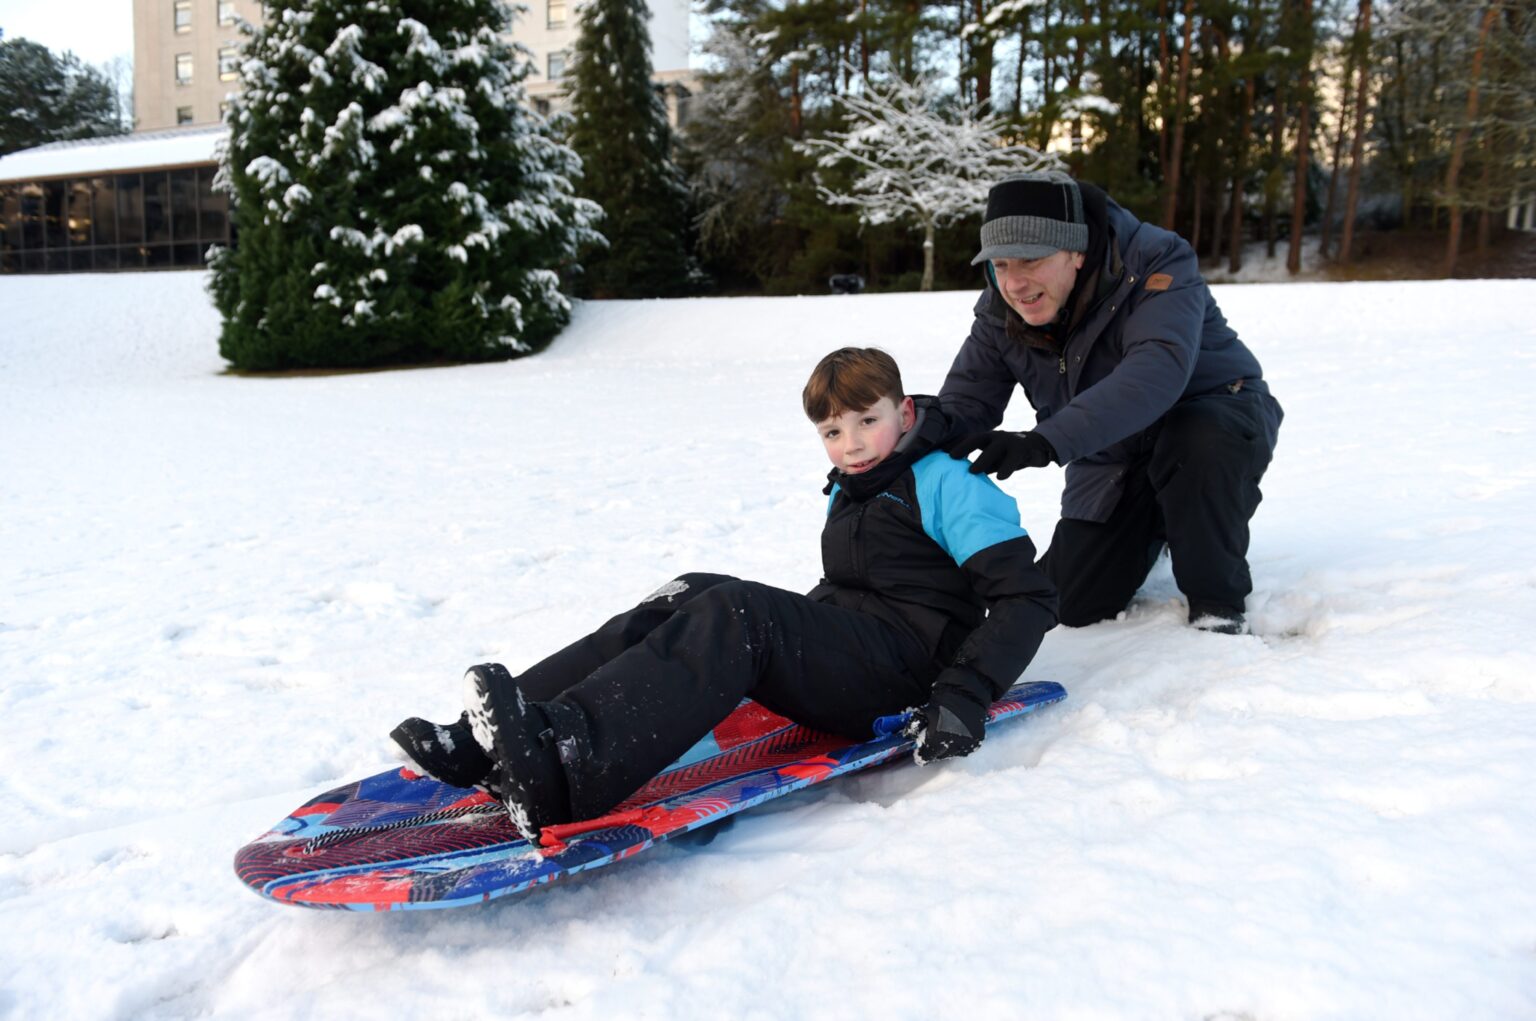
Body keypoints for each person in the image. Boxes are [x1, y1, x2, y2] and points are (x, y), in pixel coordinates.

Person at [391, 347, 1057, 842]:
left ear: (905, 411)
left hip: (910, 675)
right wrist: (796, 628)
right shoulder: (852, 487)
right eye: (832, 432)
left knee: (742, 613)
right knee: (695, 590)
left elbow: (1027, 598)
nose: (851, 444)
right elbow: (853, 591)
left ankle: (569, 769)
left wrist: (964, 693)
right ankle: (493, 738)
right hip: (861, 652)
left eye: (867, 421)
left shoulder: (948, 483)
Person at [941, 169, 1283, 635]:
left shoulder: (1157, 262)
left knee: (1198, 444)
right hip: (1114, 450)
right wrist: (897, 442)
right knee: (1071, 602)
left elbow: (1155, 373)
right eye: (1000, 265)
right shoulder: (1002, 308)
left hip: (1215, 414)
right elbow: (965, 400)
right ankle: (1159, 522)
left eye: (1030, 260)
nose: (1014, 283)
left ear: (1076, 252)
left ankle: (1217, 606)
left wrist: (1043, 442)